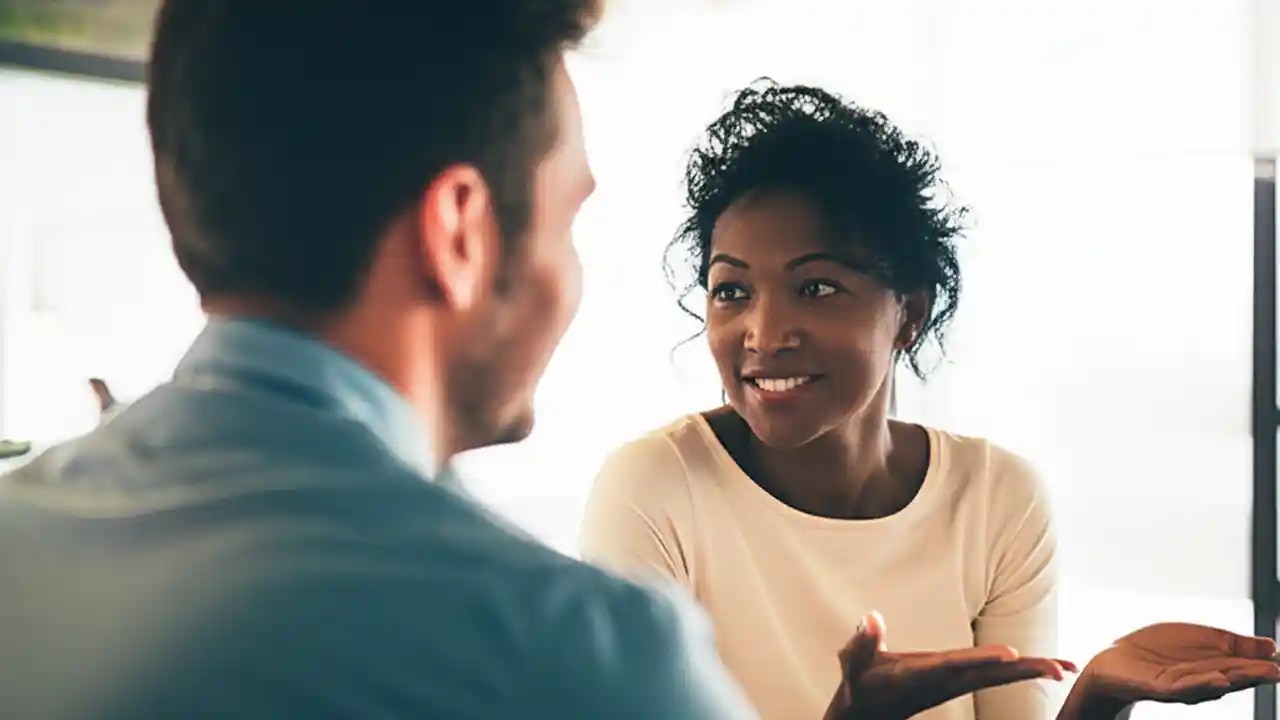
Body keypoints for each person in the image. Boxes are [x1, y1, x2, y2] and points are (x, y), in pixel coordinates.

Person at [0, 3, 1273, 719]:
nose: (755, 331)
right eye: (564, 214)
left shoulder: (17, 538)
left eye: (814, 288)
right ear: (459, 235)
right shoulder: (573, 654)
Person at [575, 80, 1261, 720]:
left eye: (815, 287)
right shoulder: (656, 489)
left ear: (910, 313)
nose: (763, 332)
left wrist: (1096, 698)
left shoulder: (996, 498)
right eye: (733, 291)